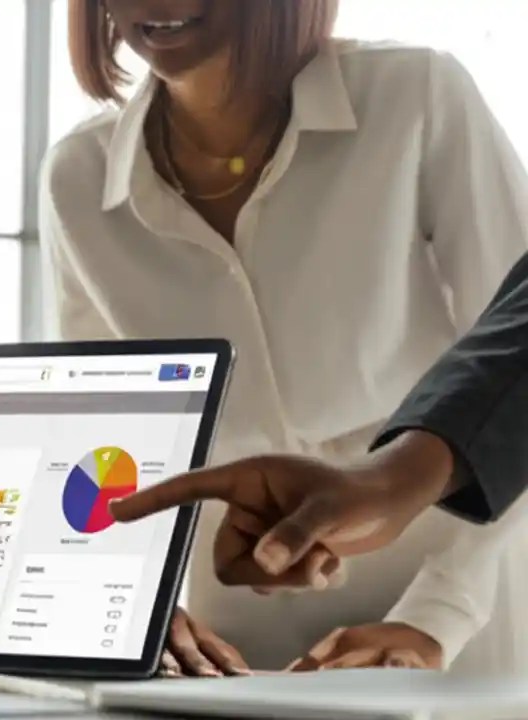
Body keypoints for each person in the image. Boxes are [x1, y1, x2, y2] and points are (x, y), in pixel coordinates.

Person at [44, 0, 528, 675]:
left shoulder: (415, 96)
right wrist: (133, 605)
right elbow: (103, 449)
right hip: (235, 646)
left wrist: (434, 620)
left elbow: (515, 383)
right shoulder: (78, 175)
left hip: (455, 623)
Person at [110, 249, 528, 615]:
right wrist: (135, 615)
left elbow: (504, 333)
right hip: (232, 618)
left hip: (434, 600)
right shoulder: (81, 194)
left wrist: (441, 613)